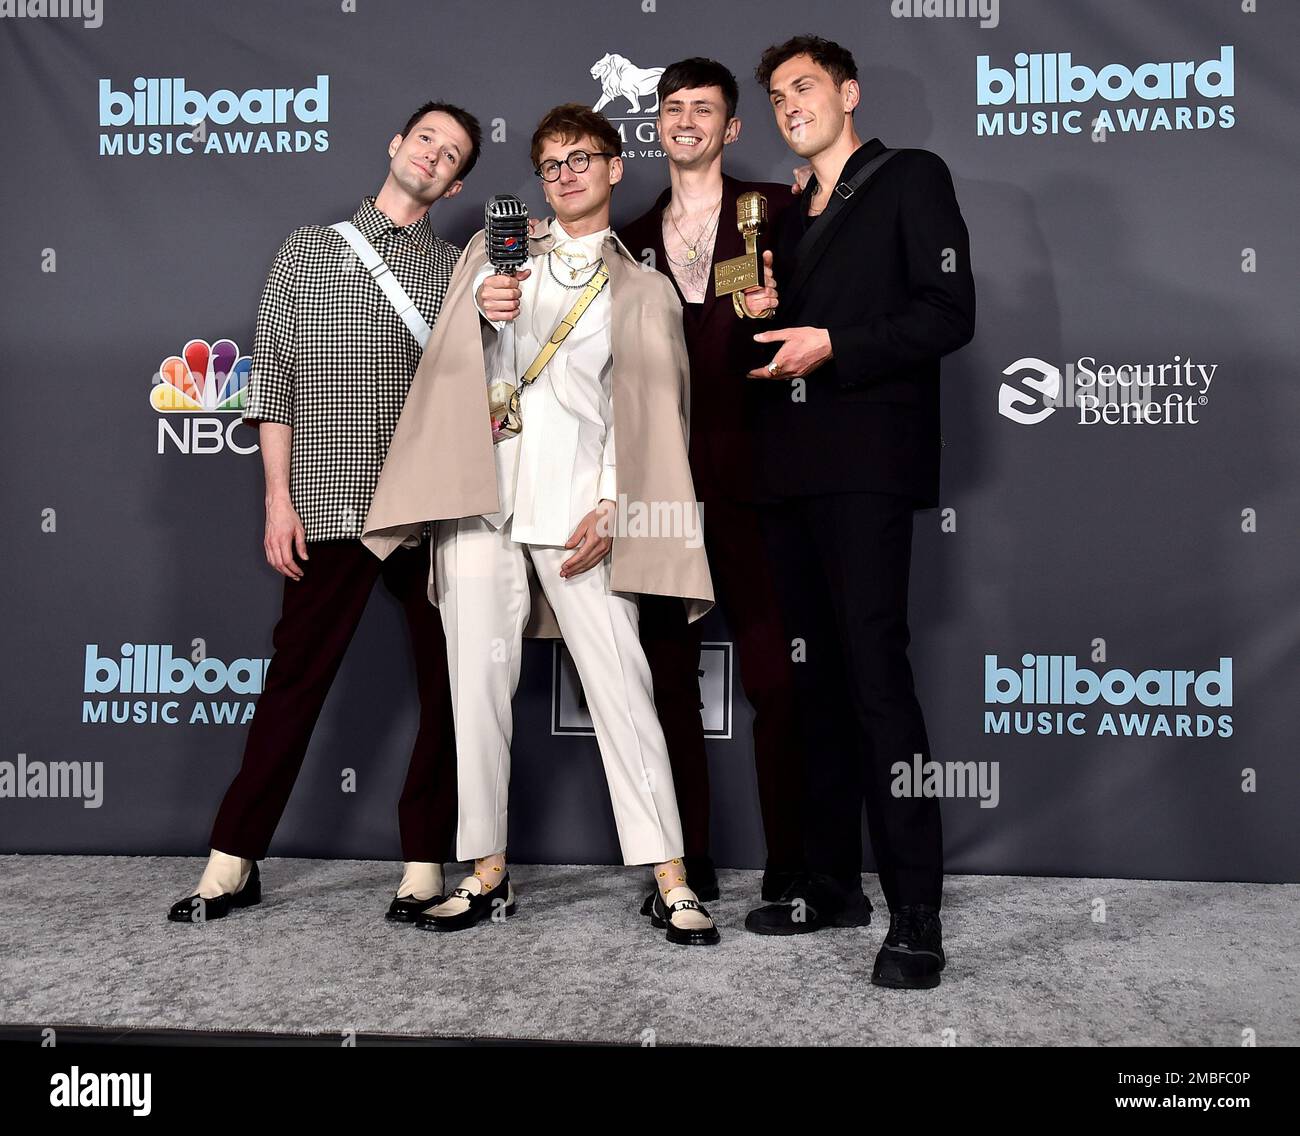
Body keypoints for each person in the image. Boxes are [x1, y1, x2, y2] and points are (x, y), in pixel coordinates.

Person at [361, 104, 720, 946]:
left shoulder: (644, 287)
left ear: (615, 167)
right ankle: (486, 872)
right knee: (474, 695)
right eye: (551, 163)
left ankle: (670, 875)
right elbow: (451, 378)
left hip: (579, 513)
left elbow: (653, 413)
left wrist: (619, 501)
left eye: (581, 158)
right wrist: (481, 316)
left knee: (623, 691)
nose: (565, 174)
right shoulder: (493, 255)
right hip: (482, 503)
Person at [167, 102, 481, 925]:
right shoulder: (308, 250)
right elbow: (270, 378)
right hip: (331, 504)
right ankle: (233, 859)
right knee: (294, 684)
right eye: (425, 140)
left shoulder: (459, 270)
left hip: (428, 509)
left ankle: (424, 861)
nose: (433, 157)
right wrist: (278, 497)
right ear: (395, 144)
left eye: (451, 155)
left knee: (449, 691)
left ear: (457, 183)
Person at [743, 37, 976, 989]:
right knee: (812, 687)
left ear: (849, 94)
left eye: (803, 87)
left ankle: (916, 912)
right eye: (775, 95)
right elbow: (786, 327)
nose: (788, 103)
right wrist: (771, 305)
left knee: (877, 679)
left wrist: (833, 340)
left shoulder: (910, 176)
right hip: (789, 471)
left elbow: (947, 310)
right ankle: (832, 884)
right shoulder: (788, 212)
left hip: (869, 466)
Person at [619, 57, 808, 911]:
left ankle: (793, 868)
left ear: (732, 129)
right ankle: (680, 870)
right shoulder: (628, 237)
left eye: (705, 110)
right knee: (667, 686)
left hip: (760, 480)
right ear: (654, 125)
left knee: (777, 679)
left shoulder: (783, 210)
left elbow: (824, 319)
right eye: (672, 108)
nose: (686, 120)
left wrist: (788, 307)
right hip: (659, 489)